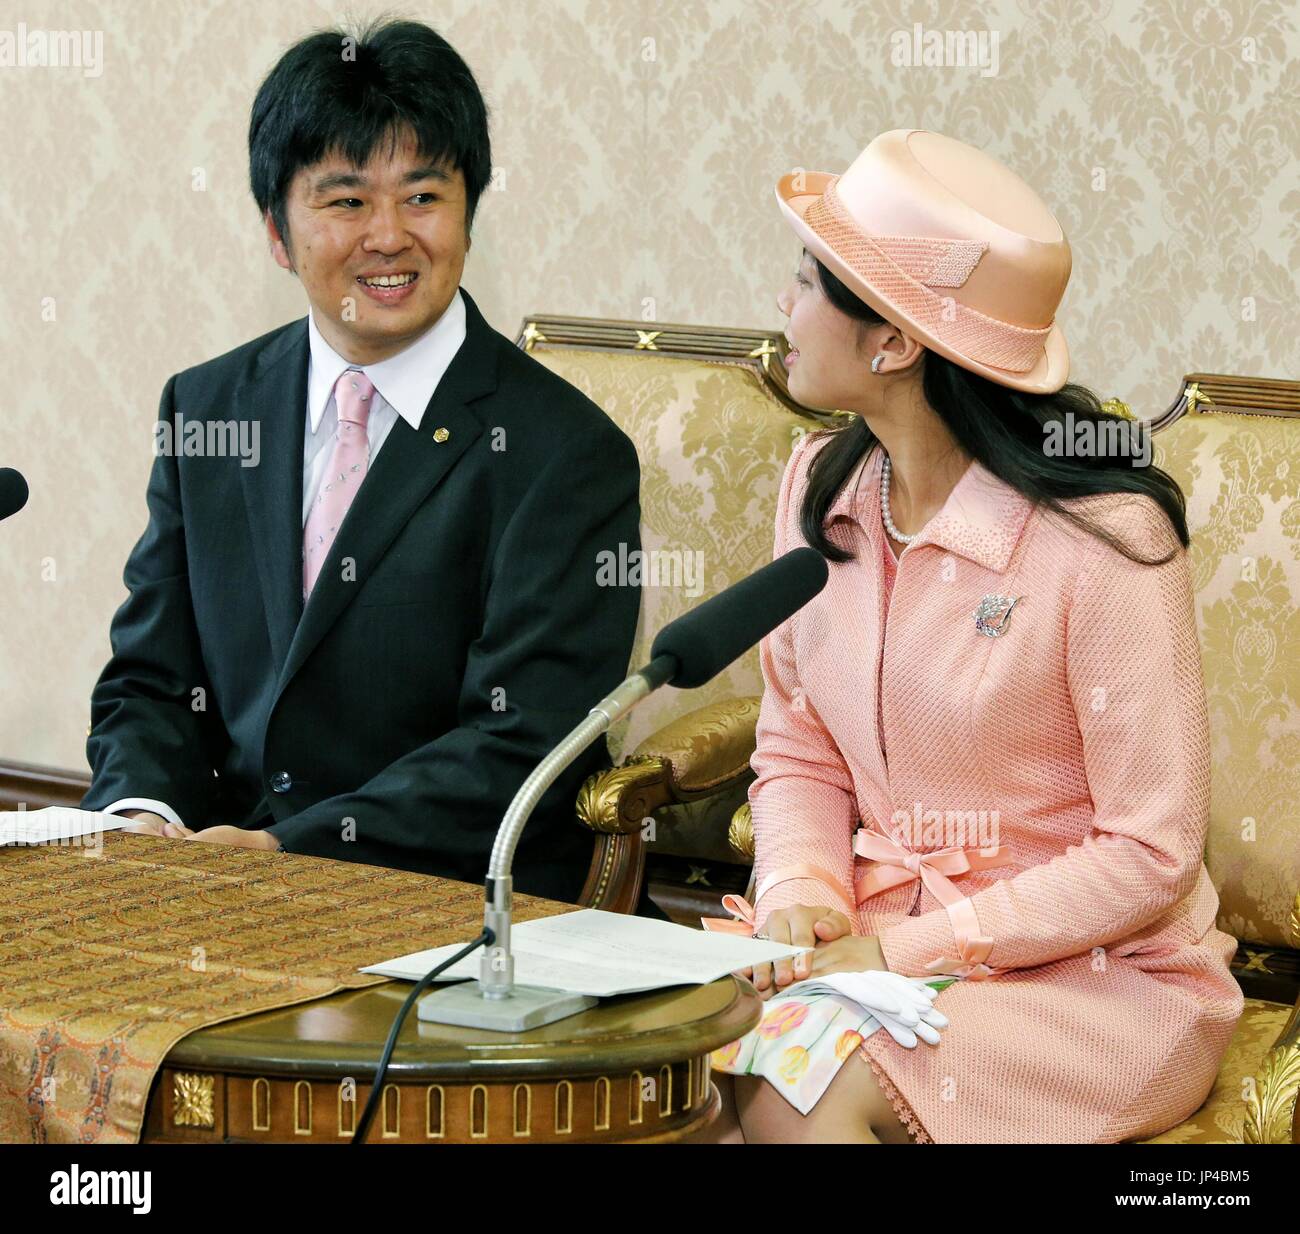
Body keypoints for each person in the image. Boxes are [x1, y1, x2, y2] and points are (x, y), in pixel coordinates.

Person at [700, 129, 1243, 1143]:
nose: (783, 305)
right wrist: (800, 895)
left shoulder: (1106, 541)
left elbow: (1148, 852)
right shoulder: (820, 487)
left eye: (807, 280)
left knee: (792, 1083)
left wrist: (910, 950)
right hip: (868, 952)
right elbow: (798, 745)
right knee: (672, 1070)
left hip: (1098, 988)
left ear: (893, 341)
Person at [81, 19, 642, 903]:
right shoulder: (208, 408)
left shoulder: (565, 454)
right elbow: (152, 680)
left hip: (462, 911)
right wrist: (144, 815)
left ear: (468, 211)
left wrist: (286, 854)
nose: (389, 236)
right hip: (217, 894)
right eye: (346, 202)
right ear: (277, 230)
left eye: (423, 196)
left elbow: (522, 743)